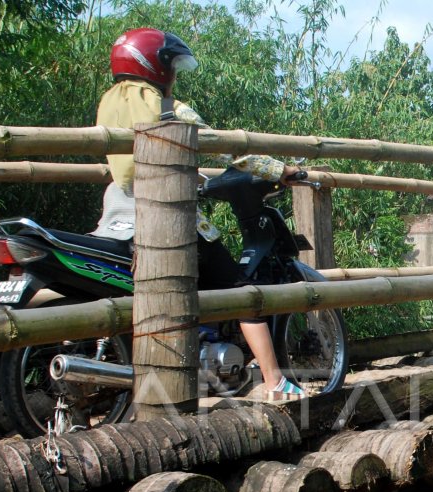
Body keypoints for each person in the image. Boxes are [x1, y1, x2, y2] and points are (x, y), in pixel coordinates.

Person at [92, 27, 305, 400]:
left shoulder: (107, 107)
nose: (174, 75)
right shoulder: (169, 109)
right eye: (172, 66)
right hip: (169, 221)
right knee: (241, 293)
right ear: (157, 67)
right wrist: (279, 169)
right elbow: (231, 151)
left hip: (116, 219)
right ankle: (275, 382)